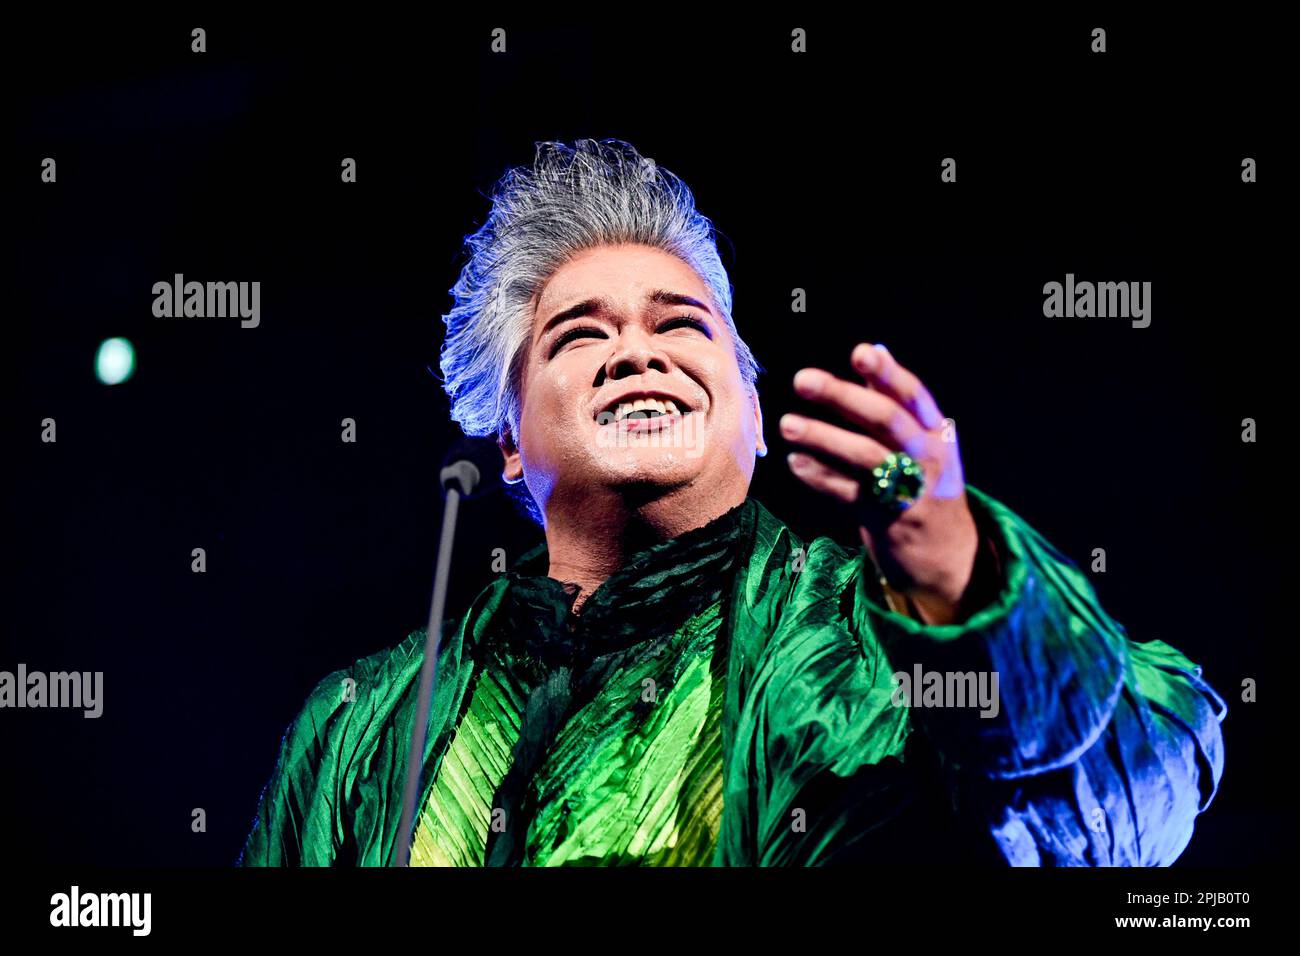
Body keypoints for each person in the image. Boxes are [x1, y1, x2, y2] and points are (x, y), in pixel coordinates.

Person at [238, 138, 1226, 866]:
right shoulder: (356, 724)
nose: (637, 349)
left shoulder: (871, 641)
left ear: (750, 412)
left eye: (680, 324)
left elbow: (1136, 813)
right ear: (504, 440)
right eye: (581, 334)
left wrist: (979, 598)